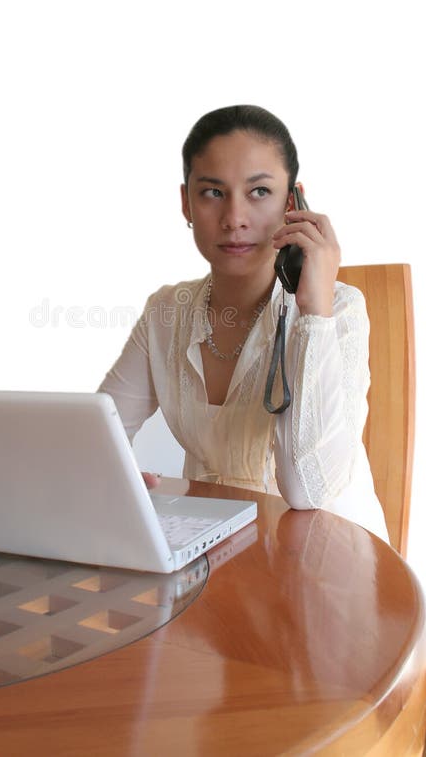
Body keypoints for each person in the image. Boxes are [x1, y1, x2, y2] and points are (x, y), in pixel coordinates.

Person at [98, 105, 388, 541]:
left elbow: (307, 490)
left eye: (259, 192)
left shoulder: (339, 309)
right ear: (186, 203)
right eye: (213, 192)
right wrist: (111, 477)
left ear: (292, 203)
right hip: (214, 546)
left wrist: (313, 312)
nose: (234, 217)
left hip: (330, 554)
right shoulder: (166, 311)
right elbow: (98, 436)